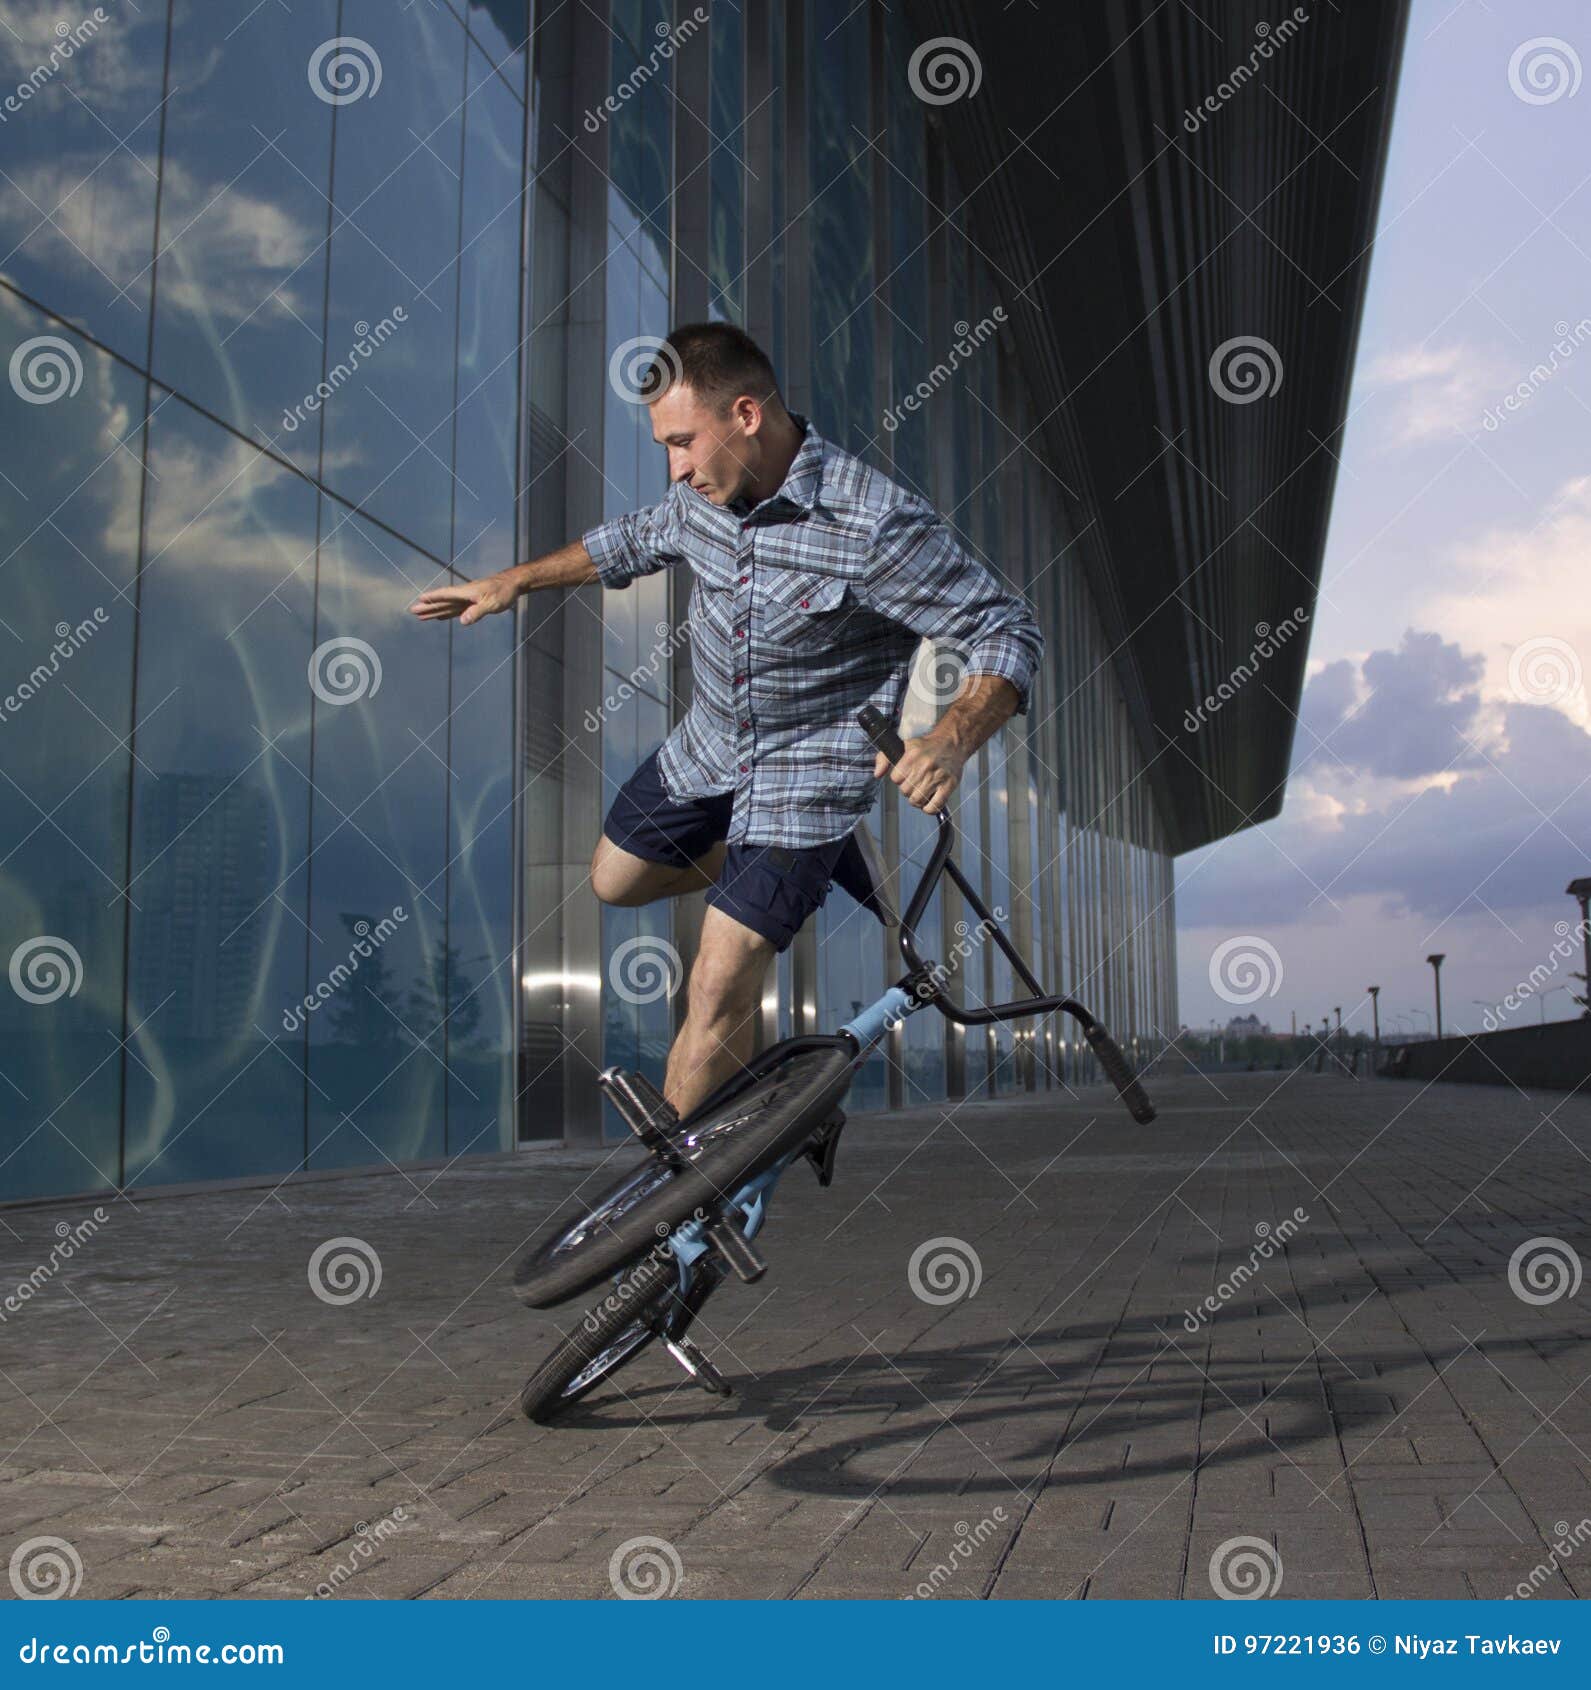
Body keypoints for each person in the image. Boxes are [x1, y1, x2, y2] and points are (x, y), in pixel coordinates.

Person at [409, 323, 1042, 1117]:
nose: (674, 469)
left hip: (807, 777)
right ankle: (795, 870)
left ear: (746, 414)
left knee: (717, 982)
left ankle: (680, 1181)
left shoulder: (874, 526)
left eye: (682, 442)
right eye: (664, 447)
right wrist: (512, 582)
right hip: (707, 749)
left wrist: (950, 738)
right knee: (614, 881)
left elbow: (1005, 627)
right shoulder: (700, 496)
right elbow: (632, 540)